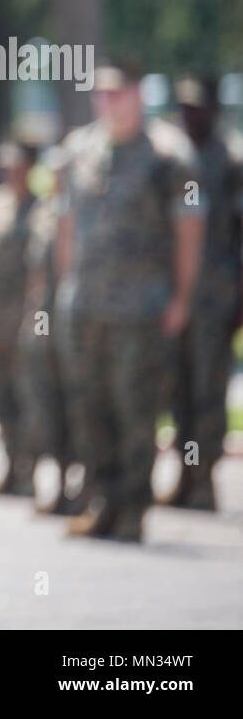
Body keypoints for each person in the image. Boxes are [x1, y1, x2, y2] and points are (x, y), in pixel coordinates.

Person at [55, 59, 205, 542]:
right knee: (90, 405)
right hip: (86, 305)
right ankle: (103, 500)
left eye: (118, 93)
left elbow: (189, 228)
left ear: (140, 95)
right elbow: (67, 223)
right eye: (102, 93)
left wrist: (182, 298)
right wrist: (65, 286)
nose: (108, 102)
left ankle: (133, 508)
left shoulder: (169, 156)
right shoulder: (80, 149)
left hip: (142, 307)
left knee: (136, 408)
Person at [165, 73, 243, 511]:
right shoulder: (175, 157)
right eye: (184, 107)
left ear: (213, 110)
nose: (188, 115)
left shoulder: (230, 160)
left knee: (208, 389)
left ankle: (204, 480)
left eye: (197, 107)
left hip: (216, 295)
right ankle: (184, 474)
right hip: (176, 293)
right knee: (177, 386)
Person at [18, 146, 83, 515]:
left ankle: (86, 487)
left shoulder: (80, 211)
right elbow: (37, 273)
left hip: (74, 323)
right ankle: (59, 483)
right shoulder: (43, 212)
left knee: (79, 404)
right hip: (44, 322)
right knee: (49, 402)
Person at [0, 141, 38, 497]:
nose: (9, 172)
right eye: (4, 166)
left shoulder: (41, 208)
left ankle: (28, 470)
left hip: (24, 317)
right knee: (0, 393)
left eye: (15, 165)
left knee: (26, 395)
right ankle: (11, 466)